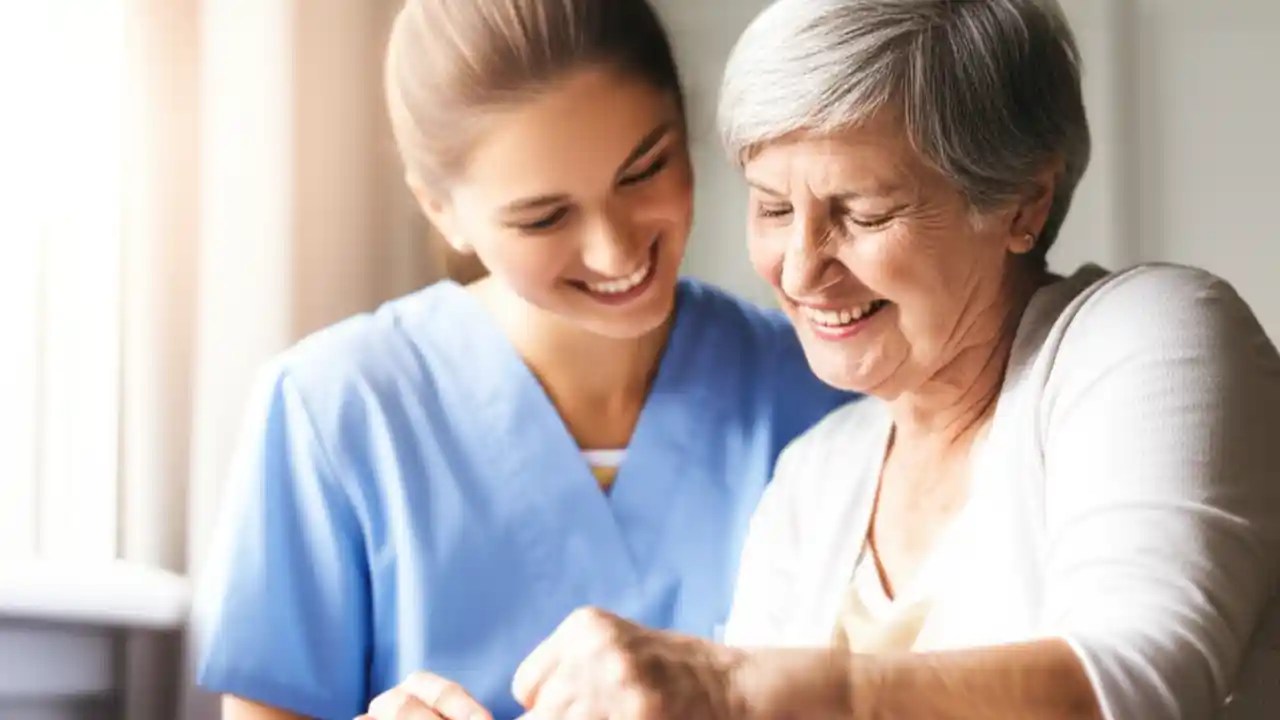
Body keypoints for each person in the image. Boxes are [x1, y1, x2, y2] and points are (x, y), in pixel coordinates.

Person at [504, 1, 1280, 718]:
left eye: (866, 214)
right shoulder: (816, 478)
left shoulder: (1142, 337)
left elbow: (1144, 683)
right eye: (774, 207)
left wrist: (730, 687)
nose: (800, 271)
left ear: (1024, 202)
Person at [192, 1, 850, 719]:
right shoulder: (332, 412)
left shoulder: (824, 390)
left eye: (644, 171)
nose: (615, 252)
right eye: (544, 217)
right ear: (441, 210)